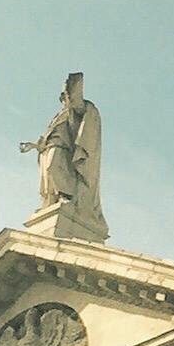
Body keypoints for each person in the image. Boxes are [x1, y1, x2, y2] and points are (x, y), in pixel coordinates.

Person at [22, 72, 106, 235]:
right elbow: (47, 136)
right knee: (48, 175)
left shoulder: (73, 112)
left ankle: (65, 195)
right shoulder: (57, 116)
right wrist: (33, 145)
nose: (64, 100)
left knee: (54, 167)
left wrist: (74, 90)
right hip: (48, 147)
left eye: (65, 97)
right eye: (62, 98)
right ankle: (53, 200)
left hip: (62, 147)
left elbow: (83, 111)